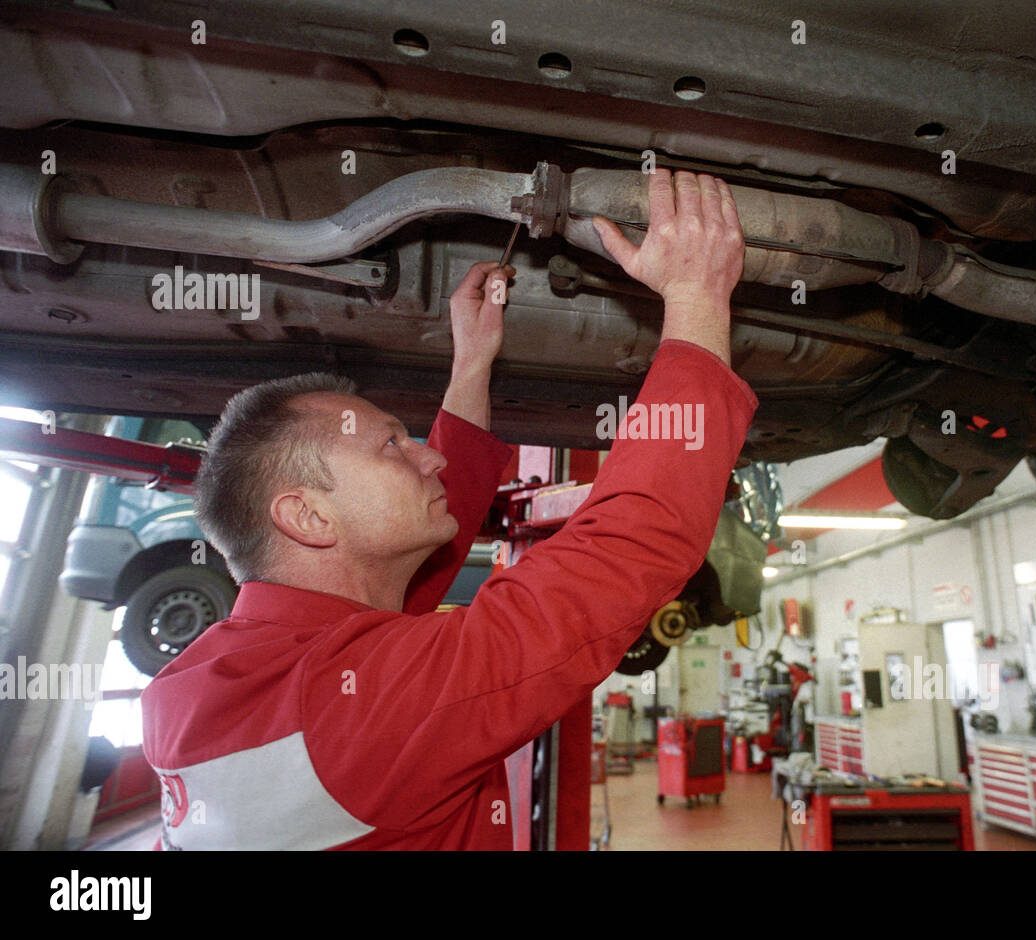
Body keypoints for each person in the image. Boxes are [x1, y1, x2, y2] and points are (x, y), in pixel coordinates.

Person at [141, 169, 757, 849]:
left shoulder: (193, 693)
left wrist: (472, 364)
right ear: (308, 517)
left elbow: (408, 572)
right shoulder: (357, 712)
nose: (426, 458)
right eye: (390, 448)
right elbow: (625, 550)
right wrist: (697, 297)